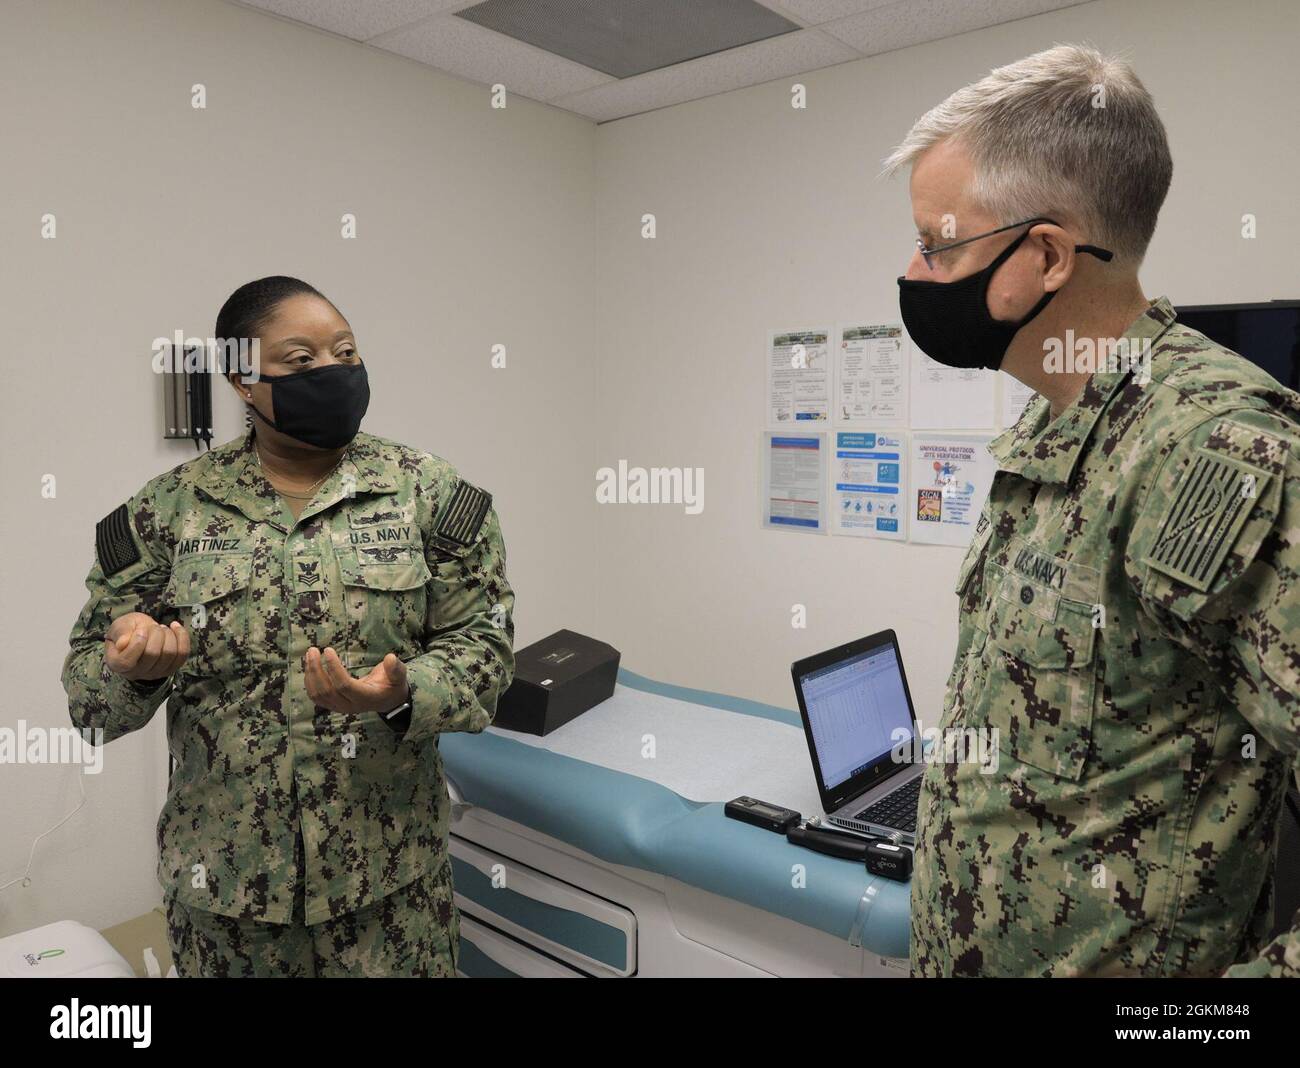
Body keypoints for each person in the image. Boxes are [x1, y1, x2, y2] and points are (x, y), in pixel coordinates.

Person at [883, 45, 1299, 976]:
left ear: (1044, 256)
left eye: (938, 243)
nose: (913, 269)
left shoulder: (1222, 453)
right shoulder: (1057, 427)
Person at [61, 275, 515, 977]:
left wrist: (398, 692)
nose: (331, 372)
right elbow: (89, 703)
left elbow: (484, 653)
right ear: (243, 378)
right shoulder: (165, 513)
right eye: (301, 361)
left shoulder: (432, 495)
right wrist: (130, 673)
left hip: (390, 894)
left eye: (345, 352)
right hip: (230, 896)